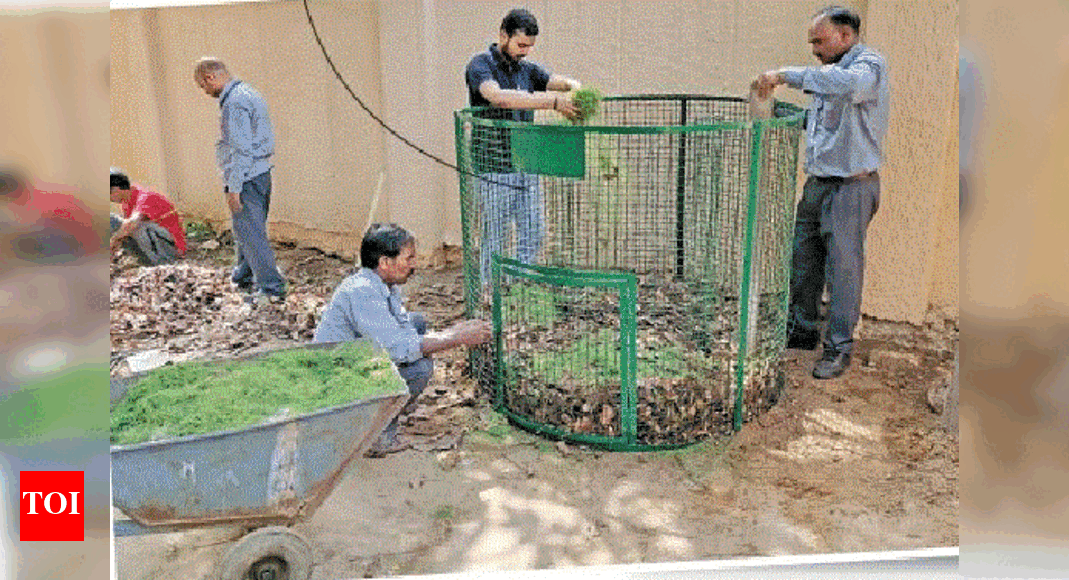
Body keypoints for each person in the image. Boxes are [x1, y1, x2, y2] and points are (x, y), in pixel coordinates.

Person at [751, 6, 889, 379]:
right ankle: (801, 331)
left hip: (851, 187)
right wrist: (774, 108)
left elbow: (850, 87)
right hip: (818, 184)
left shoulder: (868, 67)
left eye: (818, 40)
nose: (814, 48)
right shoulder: (829, 76)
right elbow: (819, 125)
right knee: (804, 257)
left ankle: (838, 349)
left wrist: (785, 76)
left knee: (842, 269)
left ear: (845, 35)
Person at [314, 223, 492, 456]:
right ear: (385, 263)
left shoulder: (383, 283)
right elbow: (400, 349)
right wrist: (457, 337)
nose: (414, 265)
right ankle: (375, 436)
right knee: (420, 369)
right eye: (408, 258)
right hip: (334, 385)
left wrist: (452, 333)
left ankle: (385, 409)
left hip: (352, 363)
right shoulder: (363, 292)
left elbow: (406, 330)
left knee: (416, 323)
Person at [464, 8, 582, 283]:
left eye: (530, 46)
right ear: (503, 35)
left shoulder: (527, 69)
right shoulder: (480, 65)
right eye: (520, 45)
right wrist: (553, 103)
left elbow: (554, 81)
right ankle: (487, 292)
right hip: (493, 164)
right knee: (496, 234)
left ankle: (516, 286)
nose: (525, 51)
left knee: (535, 230)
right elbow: (499, 97)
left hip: (526, 162)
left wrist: (574, 85)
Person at [193, 57, 286, 300]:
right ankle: (242, 276)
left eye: (203, 86)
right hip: (260, 173)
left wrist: (234, 188)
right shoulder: (248, 93)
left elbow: (241, 150)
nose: (205, 92)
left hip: (247, 177)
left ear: (210, 77)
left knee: (252, 235)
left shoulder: (234, 102)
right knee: (246, 230)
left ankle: (271, 289)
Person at [109, 168, 186, 266]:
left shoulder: (145, 197)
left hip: (172, 249)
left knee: (132, 226)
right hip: (155, 244)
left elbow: (131, 225)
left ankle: (163, 263)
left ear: (116, 189)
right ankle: (145, 262)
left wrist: (113, 240)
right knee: (114, 222)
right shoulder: (126, 202)